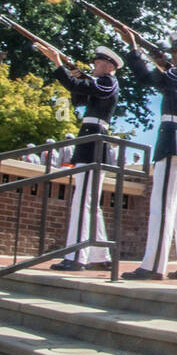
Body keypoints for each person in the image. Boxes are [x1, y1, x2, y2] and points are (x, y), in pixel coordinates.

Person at [118, 30, 177, 281]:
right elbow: (157, 79)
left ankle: (153, 265)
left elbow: (148, 79)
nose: (173, 55)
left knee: (162, 204)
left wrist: (135, 51)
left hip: (174, 138)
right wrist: (152, 60)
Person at [36, 42, 122, 272]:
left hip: (94, 142)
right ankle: (100, 255)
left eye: (98, 63)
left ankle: (76, 256)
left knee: (82, 202)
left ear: (107, 66)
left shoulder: (108, 82)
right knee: (90, 204)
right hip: (90, 141)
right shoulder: (99, 83)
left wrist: (58, 63)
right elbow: (78, 98)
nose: (94, 66)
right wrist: (75, 76)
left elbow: (82, 86)